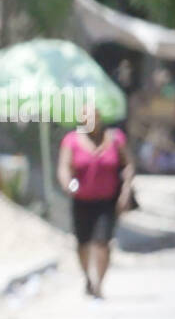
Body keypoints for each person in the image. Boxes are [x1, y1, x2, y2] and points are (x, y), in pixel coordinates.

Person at [57, 114, 135, 299]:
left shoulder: (115, 138)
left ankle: (99, 284)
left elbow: (128, 165)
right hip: (81, 199)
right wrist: (67, 184)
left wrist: (126, 191)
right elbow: (64, 167)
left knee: (102, 242)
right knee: (83, 243)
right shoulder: (72, 140)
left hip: (107, 200)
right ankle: (88, 279)